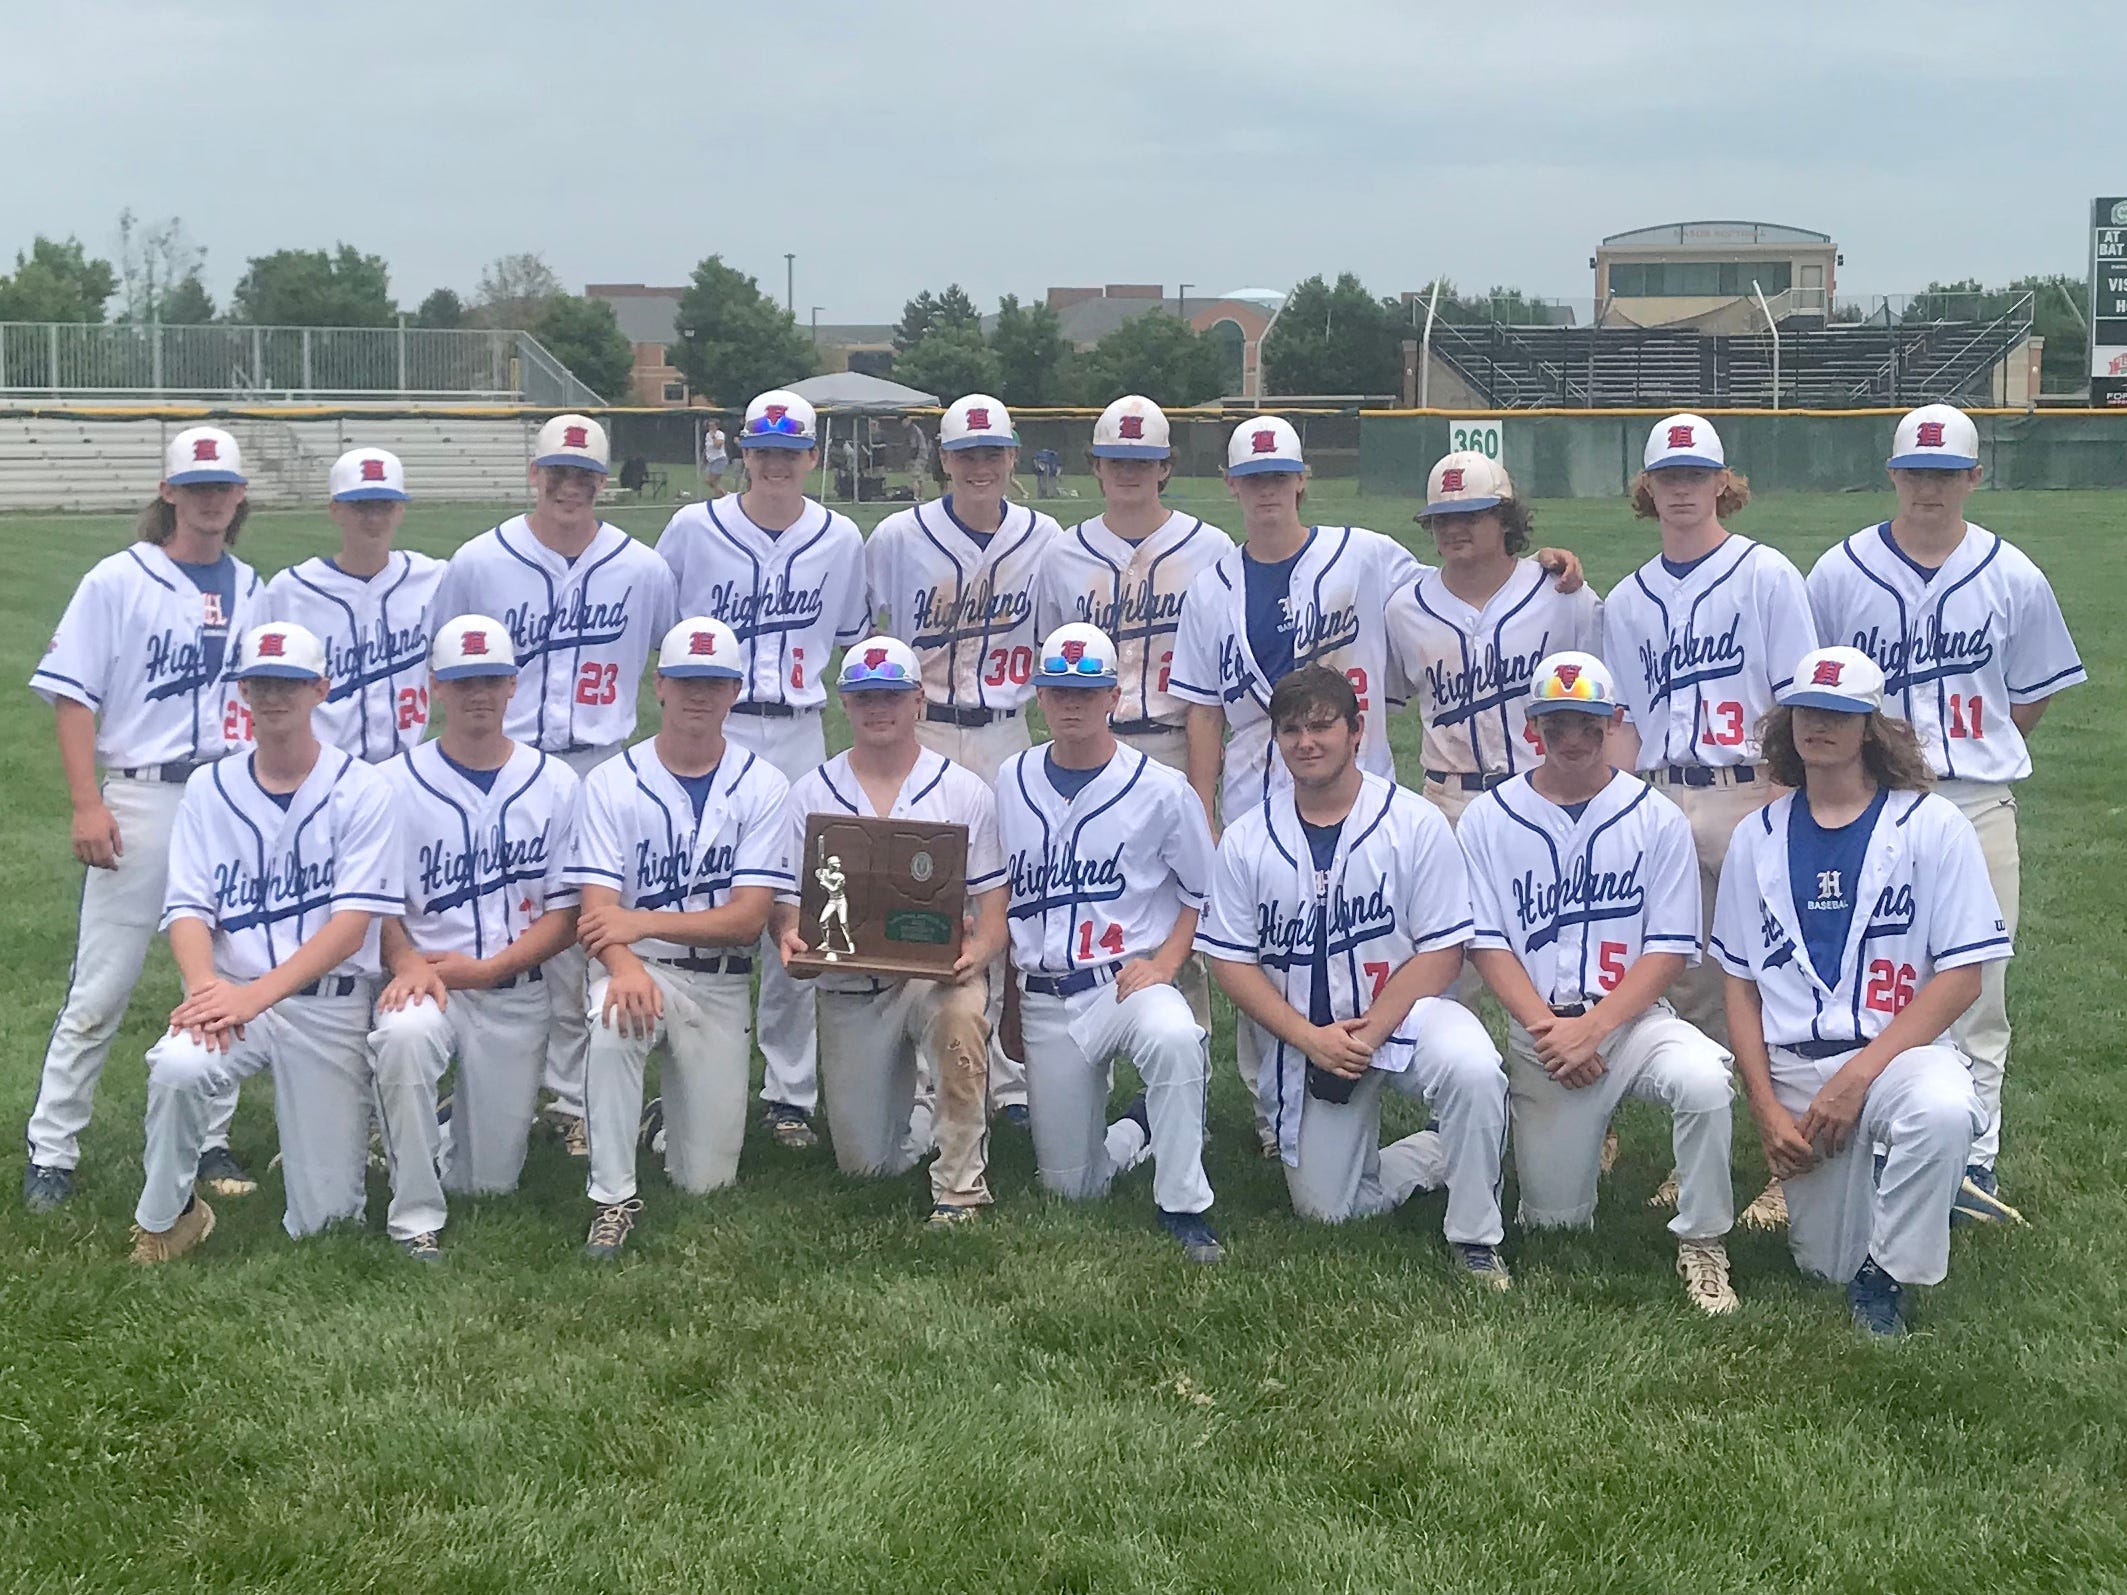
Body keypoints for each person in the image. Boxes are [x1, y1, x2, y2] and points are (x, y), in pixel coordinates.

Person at [1169, 418, 1581, 1155]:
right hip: (1253, 791)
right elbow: (1201, 707)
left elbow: (1452, 586)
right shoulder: (1210, 589)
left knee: (1380, 949)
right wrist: (1202, 808)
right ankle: (1277, 1121)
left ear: (1301, 480)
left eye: (1278, 475)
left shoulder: (1365, 556)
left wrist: (1537, 563)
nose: (1266, 490)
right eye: (1252, 478)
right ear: (1231, 486)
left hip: (1362, 796)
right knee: (1270, 954)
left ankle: (1430, 1088)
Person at [1805, 403, 2083, 1224]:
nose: (1928, 487)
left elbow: (2024, 698)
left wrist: (1967, 754)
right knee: (1869, 975)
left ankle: (1976, 1156)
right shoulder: (1839, 572)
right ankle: (1878, 1136)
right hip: (1869, 802)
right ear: (1893, 475)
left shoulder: (2012, 574)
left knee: (1979, 988)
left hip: (1972, 799)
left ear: (1972, 476)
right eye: (1914, 471)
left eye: (1944, 472)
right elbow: (1812, 689)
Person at [1711, 646, 2008, 1336]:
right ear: (1787, 723)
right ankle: (1904, 1190)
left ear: (1870, 726)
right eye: (1806, 711)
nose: (1819, 725)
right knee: (1823, 1264)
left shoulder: (1929, 824)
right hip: (1794, 1070)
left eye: (1838, 713)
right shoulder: (1755, 836)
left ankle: (1889, 1276)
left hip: (1894, 1056)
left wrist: (1857, 1077)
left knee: (1941, 1107)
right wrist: (1763, 1109)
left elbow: (1962, 974)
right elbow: (1738, 982)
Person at [1197, 666, 1513, 1289]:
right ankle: (1442, 1151)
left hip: (1406, 1018)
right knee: (1327, 1213)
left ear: (1356, 730)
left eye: (1322, 726)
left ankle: (1476, 1238)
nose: (1306, 742)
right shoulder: (1248, 837)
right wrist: (1310, 1039)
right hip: (1309, 1037)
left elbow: (1443, 950)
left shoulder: (1414, 822)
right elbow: (1230, 961)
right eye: (1291, 730)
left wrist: (1371, 1031)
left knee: (1475, 1067)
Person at [24, 426, 265, 1213]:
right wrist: (87, 800)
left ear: (239, 495)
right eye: (195, 486)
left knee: (233, 971)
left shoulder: (255, 586)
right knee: (104, 982)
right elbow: (72, 694)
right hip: (142, 792)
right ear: (168, 493)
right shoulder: (117, 579)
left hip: (230, 795)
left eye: (222, 486)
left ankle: (210, 1135)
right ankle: (52, 1147)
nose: (210, 498)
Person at [429, 414, 678, 1160]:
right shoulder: (479, 561)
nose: (570, 486)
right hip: (505, 761)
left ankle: (573, 1098)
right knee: (494, 916)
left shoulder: (643, 568)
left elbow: (668, 658)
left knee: (588, 931)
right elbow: (441, 662)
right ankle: (476, 1077)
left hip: (601, 761)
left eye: (585, 475)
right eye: (557, 472)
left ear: (605, 482)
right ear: (534, 474)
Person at [1459, 652, 1739, 1315]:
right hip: (1542, 1033)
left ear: (1613, 723)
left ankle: (1703, 1240)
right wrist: (1551, 1031)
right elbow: (1484, 941)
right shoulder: (1488, 817)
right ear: (1533, 729)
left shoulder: (1654, 816)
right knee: (1555, 1224)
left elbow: (1669, 947)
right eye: (1556, 725)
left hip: (1635, 1022)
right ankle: (1440, 1150)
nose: (1573, 740)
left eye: (1587, 723)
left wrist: (1595, 1027)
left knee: (1703, 1077)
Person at [127, 622, 403, 1262]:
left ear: (320, 689)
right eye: (260, 684)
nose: (274, 696)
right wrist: (204, 989)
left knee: (325, 1222)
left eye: (290, 683)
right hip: (230, 993)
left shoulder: (363, 787)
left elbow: (352, 924)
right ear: (243, 693)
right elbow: (189, 906)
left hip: (329, 1003)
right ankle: (169, 1216)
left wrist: (253, 998)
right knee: (175, 1065)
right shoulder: (208, 788)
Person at [1602, 413, 1817, 1229]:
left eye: (1697, 475)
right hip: (1661, 792)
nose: (1683, 488)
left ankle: (1785, 1162)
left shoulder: (1766, 574)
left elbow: (1798, 696)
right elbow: (1621, 718)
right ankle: (1707, 1153)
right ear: (1647, 487)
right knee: (1685, 983)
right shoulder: (1626, 600)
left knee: (1772, 979)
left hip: (1751, 789)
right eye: (1668, 475)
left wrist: (1784, 795)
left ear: (1722, 482)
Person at [655, 389, 871, 1153]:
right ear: (742, 453)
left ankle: (788, 1092)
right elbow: (666, 634)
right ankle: (675, 1072)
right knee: (691, 898)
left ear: (812, 457)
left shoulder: (841, 537)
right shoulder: (692, 530)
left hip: (798, 732)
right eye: (762, 449)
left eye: (790, 450)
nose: (775, 463)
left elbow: (848, 635)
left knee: (797, 913)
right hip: (716, 725)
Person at [563, 617, 792, 1260]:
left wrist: (641, 920)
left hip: (720, 986)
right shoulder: (611, 782)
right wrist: (625, 961)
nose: (699, 695)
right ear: (659, 684)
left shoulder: (764, 785)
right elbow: (596, 915)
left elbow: (748, 921)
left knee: (704, 1185)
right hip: (642, 970)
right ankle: (611, 1199)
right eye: (686, 680)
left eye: (713, 682)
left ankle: (664, 1114)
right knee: (613, 1016)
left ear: (734, 689)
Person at [994, 623, 1222, 1263]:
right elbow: (1005, 901)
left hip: (1123, 982)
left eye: (1087, 691)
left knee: (1176, 1037)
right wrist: (1010, 1004)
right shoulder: (1009, 779)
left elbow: (1201, 892)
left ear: (1113, 698)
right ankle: (1138, 1125)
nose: (1073, 703)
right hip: (1044, 993)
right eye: (1059, 690)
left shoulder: (1160, 788)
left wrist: (1169, 963)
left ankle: (1184, 1206)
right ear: (1039, 695)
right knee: (1072, 1190)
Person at [867, 393, 1064, 1120]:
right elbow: (867, 635)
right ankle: (923, 1077)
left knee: (1001, 900)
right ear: (942, 459)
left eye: (992, 452)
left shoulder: (1046, 537)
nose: (979, 466)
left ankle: (1004, 1076)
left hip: (1007, 730)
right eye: (965, 454)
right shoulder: (896, 536)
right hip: (924, 730)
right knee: (917, 901)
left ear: (1012, 457)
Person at [366, 616, 585, 1254]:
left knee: (489, 1185)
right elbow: (369, 902)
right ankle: (414, 1217)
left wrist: (490, 969)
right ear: (436, 687)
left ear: (513, 685)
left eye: (490, 679)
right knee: (405, 1040)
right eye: (463, 682)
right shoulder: (390, 785)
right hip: (425, 984)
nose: (478, 694)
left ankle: (439, 1127)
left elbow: (567, 912)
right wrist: (406, 962)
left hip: (513, 986)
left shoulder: (555, 783)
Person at [773, 637, 1009, 1223]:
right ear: (845, 706)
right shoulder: (810, 793)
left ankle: (960, 1187)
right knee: (865, 1167)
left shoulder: (962, 789)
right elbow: (785, 900)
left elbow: (994, 904)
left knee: (959, 1019)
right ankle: (934, 1104)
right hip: (851, 985)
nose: (878, 709)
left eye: (892, 696)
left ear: (918, 702)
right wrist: (789, 933)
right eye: (864, 697)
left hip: (934, 978)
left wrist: (979, 951)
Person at [1036, 395, 1231, 1030]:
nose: (1130, 472)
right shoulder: (1064, 554)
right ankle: (1073, 1052)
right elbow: (1050, 661)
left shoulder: (1210, 548)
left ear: (1166, 466)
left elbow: (1213, 686)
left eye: (1143, 460)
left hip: (1175, 740)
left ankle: (1186, 1068)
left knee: (1182, 906)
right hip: (1090, 747)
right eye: (1117, 460)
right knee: (1087, 899)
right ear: (1096, 465)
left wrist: (1203, 795)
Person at [1384, 450, 1605, 825]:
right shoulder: (1405, 609)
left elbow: (1608, 701)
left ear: (1505, 518)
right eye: (1442, 519)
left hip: (1543, 791)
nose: (1453, 529)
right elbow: (1390, 697)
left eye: (1470, 516)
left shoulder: (1562, 595)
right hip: (1448, 800)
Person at [255, 447, 445, 763]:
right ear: (336, 510)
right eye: (360, 506)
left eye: (384, 506)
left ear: (400, 510)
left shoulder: (433, 579)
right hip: (322, 771)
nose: (373, 518)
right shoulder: (291, 590)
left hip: (407, 768)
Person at [702, 418, 729, 497]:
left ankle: (723, 495)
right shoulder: (707, 435)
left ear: (717, 426)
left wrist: (713, 436)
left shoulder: (720, 434)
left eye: (713, 426)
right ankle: (722, 495)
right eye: (709, 426)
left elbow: (718, 445)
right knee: (708, 481)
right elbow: (707, 447)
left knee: (713, 480)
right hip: (711, 460)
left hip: (719, 459)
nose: (711, 428)